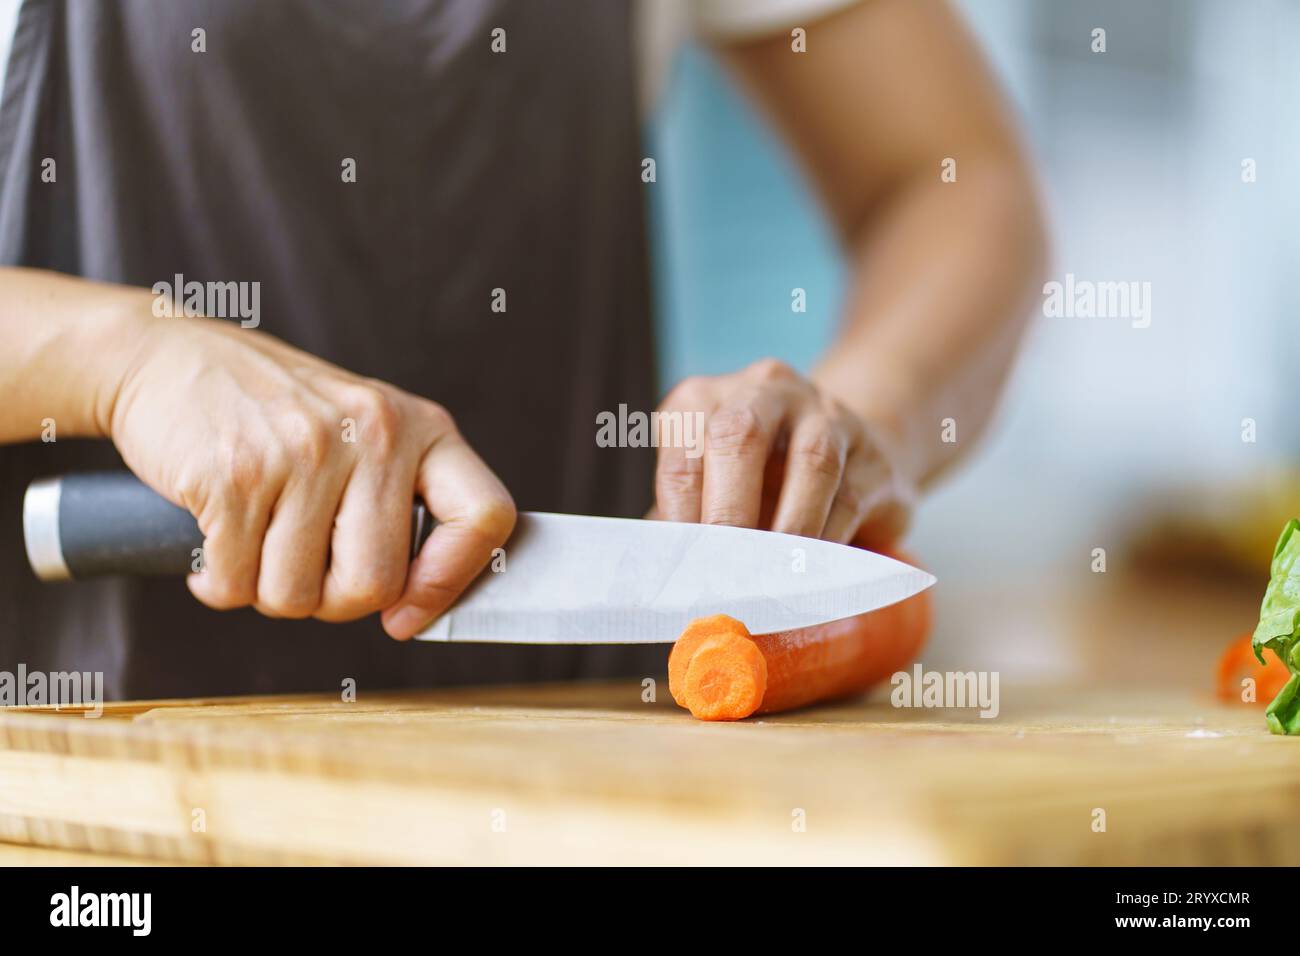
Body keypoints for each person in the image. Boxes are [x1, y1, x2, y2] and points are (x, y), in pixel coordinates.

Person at [0, 0, 1044, 699]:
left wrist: (868, 412)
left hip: (567, 771)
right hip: (76, 802)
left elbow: (949, 183)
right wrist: (122, 353)